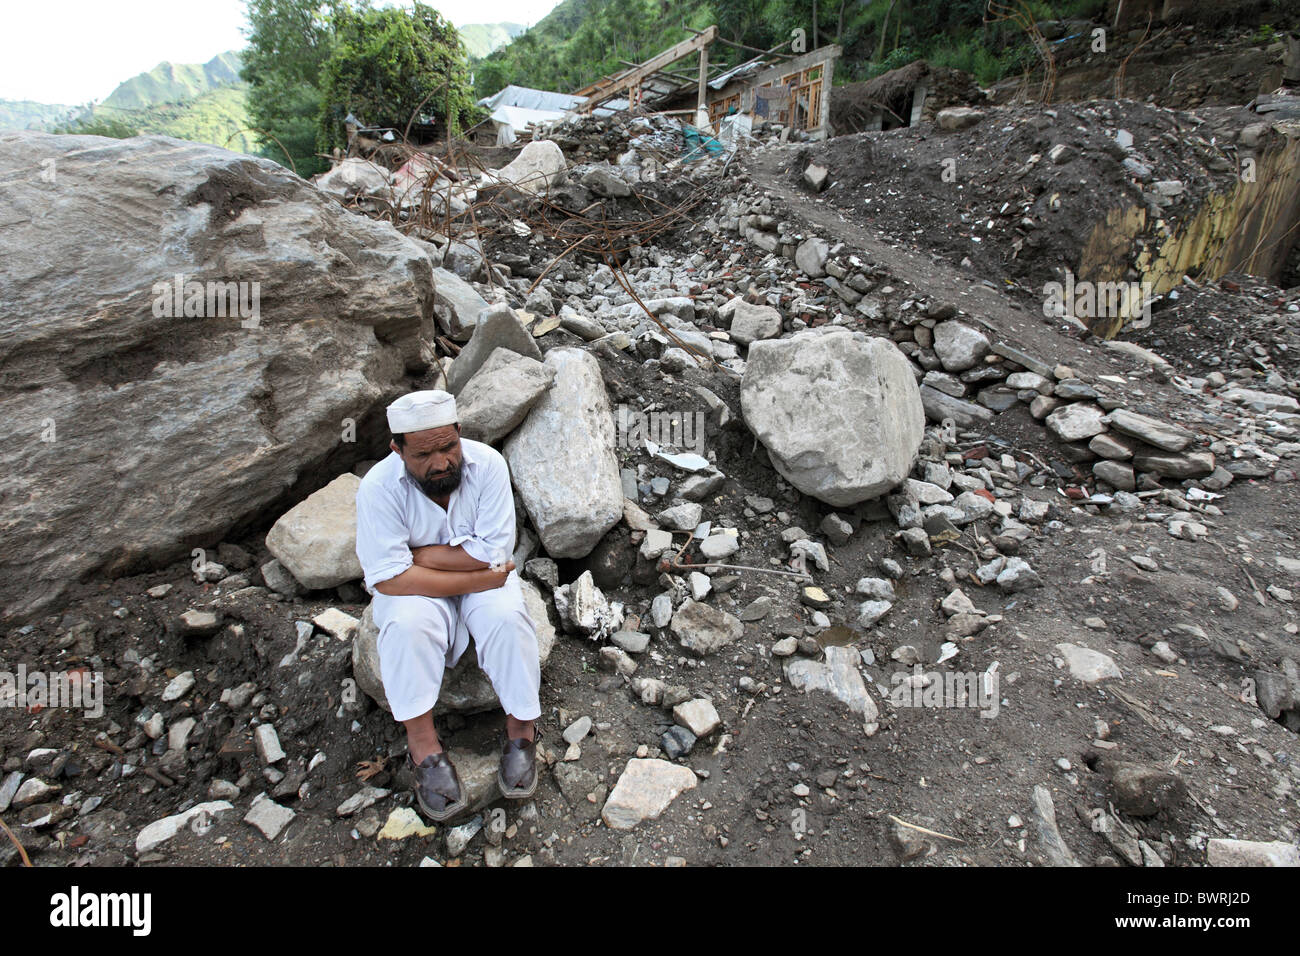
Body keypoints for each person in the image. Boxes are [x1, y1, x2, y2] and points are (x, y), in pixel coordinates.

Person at [354, 389, 542, 821]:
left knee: (506, 616)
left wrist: (419, 556)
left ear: (459, 433)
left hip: (434, 579)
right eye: (424, 454)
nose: (441, 463)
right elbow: (388, 578)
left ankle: (522, 733)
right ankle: (423, 747)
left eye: (448, 446)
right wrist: (480, 575)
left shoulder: (489, 465)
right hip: (415, 592)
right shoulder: (378, 489)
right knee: (406, 625)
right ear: (397, 449)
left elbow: (496, 551)